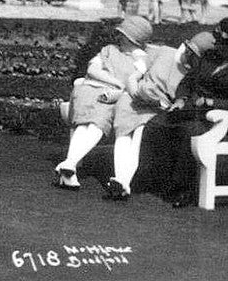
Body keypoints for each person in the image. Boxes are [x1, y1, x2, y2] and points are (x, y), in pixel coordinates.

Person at [103, 32, 215, 201]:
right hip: (134, 98)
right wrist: (136, 95)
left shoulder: (192, 72)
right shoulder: (162, 52)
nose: (189, 55)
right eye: (189, 50)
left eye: (195, 56)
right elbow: (133, 78)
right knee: (123, 131)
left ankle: (123, 182)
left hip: (157, 108)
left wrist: (162, 104)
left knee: (140, 132)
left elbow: (180, 99)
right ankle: (121, 180)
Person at [52, 16, 152, 189]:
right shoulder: (109, 50)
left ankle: (69, 163)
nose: (119, 38)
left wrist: (118, 88)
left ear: (132, 39)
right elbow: (92, 69)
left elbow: (136, 83)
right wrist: (116, 82)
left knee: (95, 122)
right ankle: (69, 164)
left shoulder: (144, 60)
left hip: (114, 98)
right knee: (90, 120)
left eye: (123, 35)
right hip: (92, 90)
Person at [151, 33, 228, 207]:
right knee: (156, 123)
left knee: (191, 131)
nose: (216, 44)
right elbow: (187, 82)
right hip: (195, 110)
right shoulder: (209, 59)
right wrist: (180, 99)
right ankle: (156, 179)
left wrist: (212, 102)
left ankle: (183, 189)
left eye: (222, 42)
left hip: (220, 118)